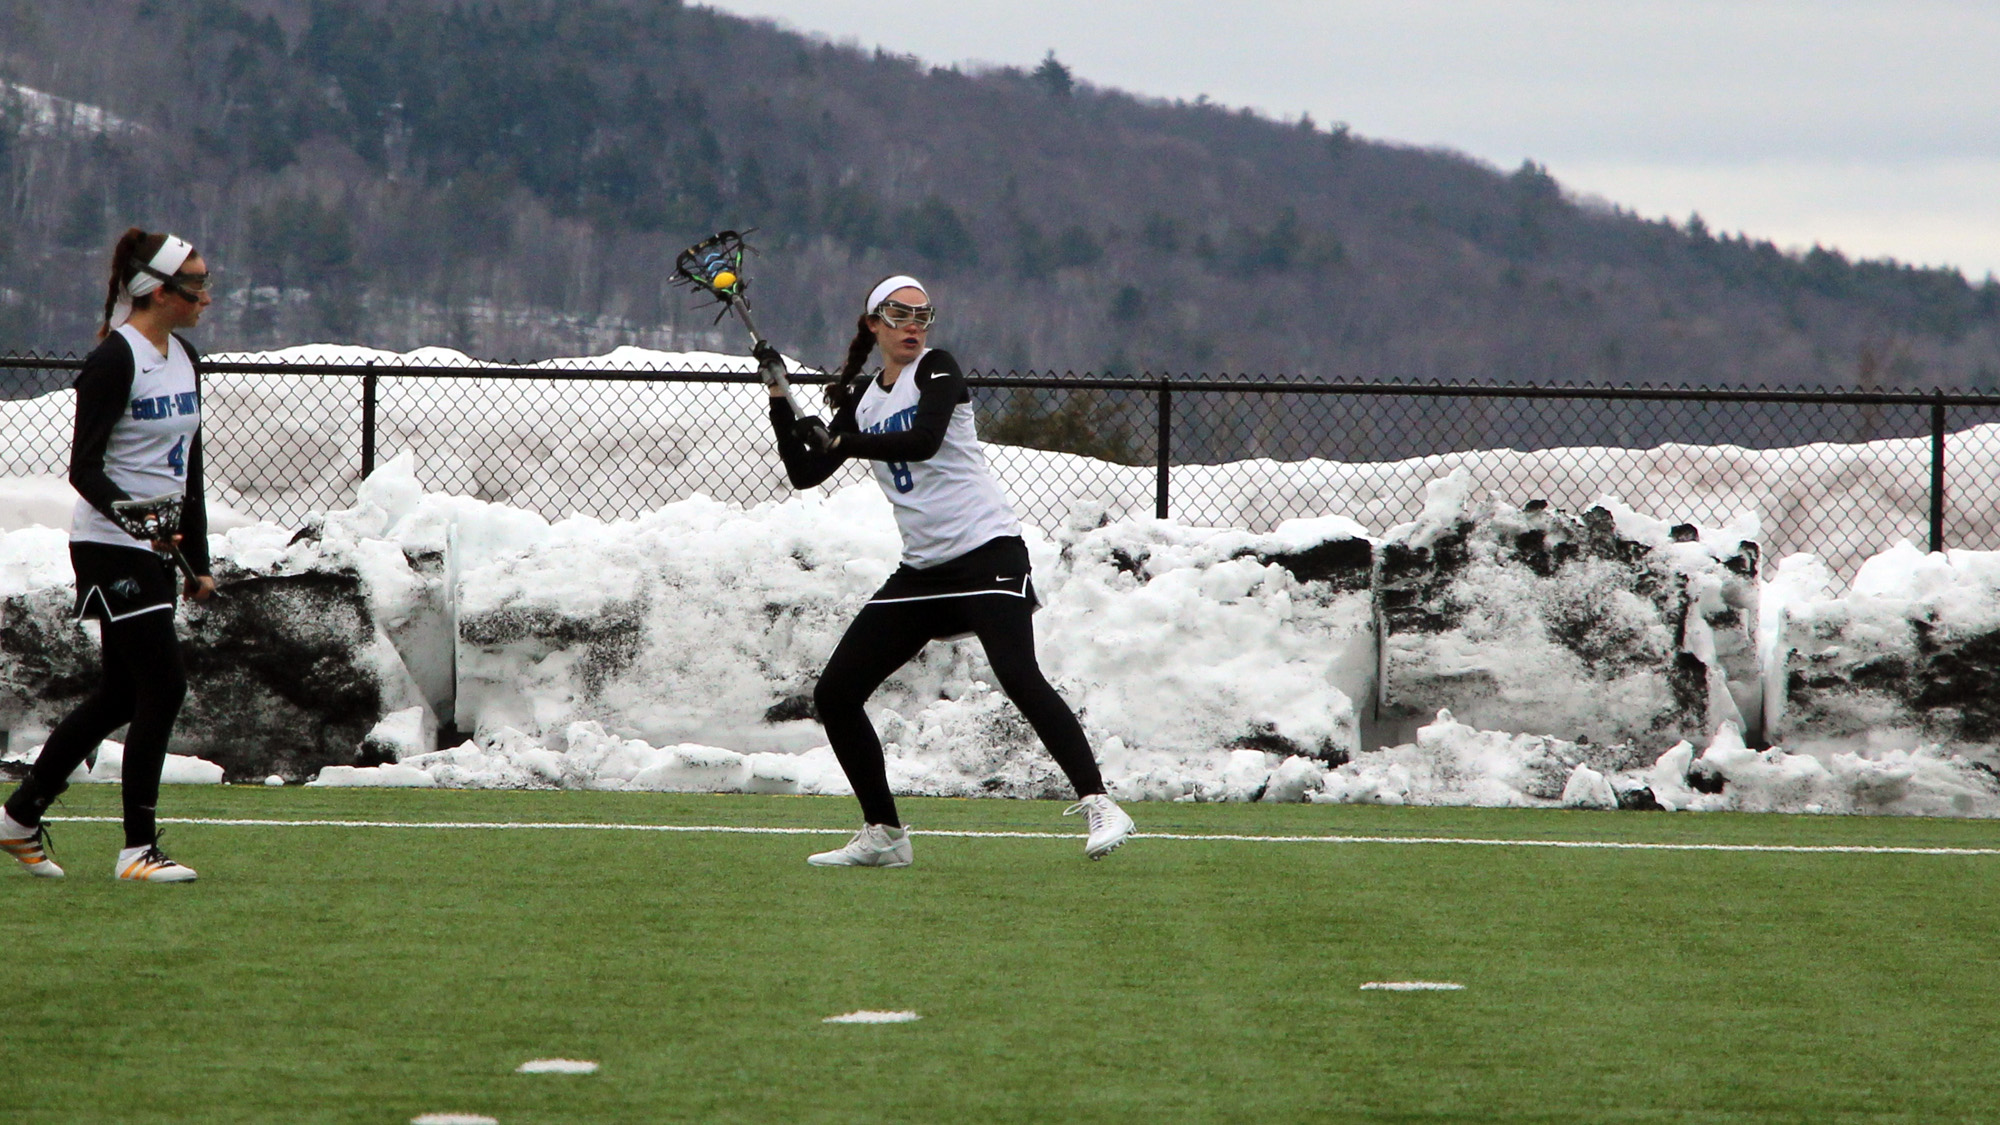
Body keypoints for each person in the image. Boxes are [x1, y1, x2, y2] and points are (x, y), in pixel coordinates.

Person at [762, 274, 1134, 867]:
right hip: (923, 572)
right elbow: (806, 474)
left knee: (1018, 674)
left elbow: (925, 440)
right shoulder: (862, 399)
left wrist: (844, 441)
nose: (913, 324)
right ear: (872, 324)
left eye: (922, 314)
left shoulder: (937, 367)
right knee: (836, 695)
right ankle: (884, 833)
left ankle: (1099, 801)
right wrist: (782, 402)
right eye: (898, 314)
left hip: (988, 553)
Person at [0, 228, 218, 883]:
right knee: (165, 684)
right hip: (109, 546)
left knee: (121, 694)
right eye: (197, 285)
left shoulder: (185, 357)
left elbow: (190, 470)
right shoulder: (114, 361)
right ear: (158, 291)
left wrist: (198, 557)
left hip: (155, 547)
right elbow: (83, 468)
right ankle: (137, 848)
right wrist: (136, 515)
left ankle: (18, 816)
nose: (207, 296)